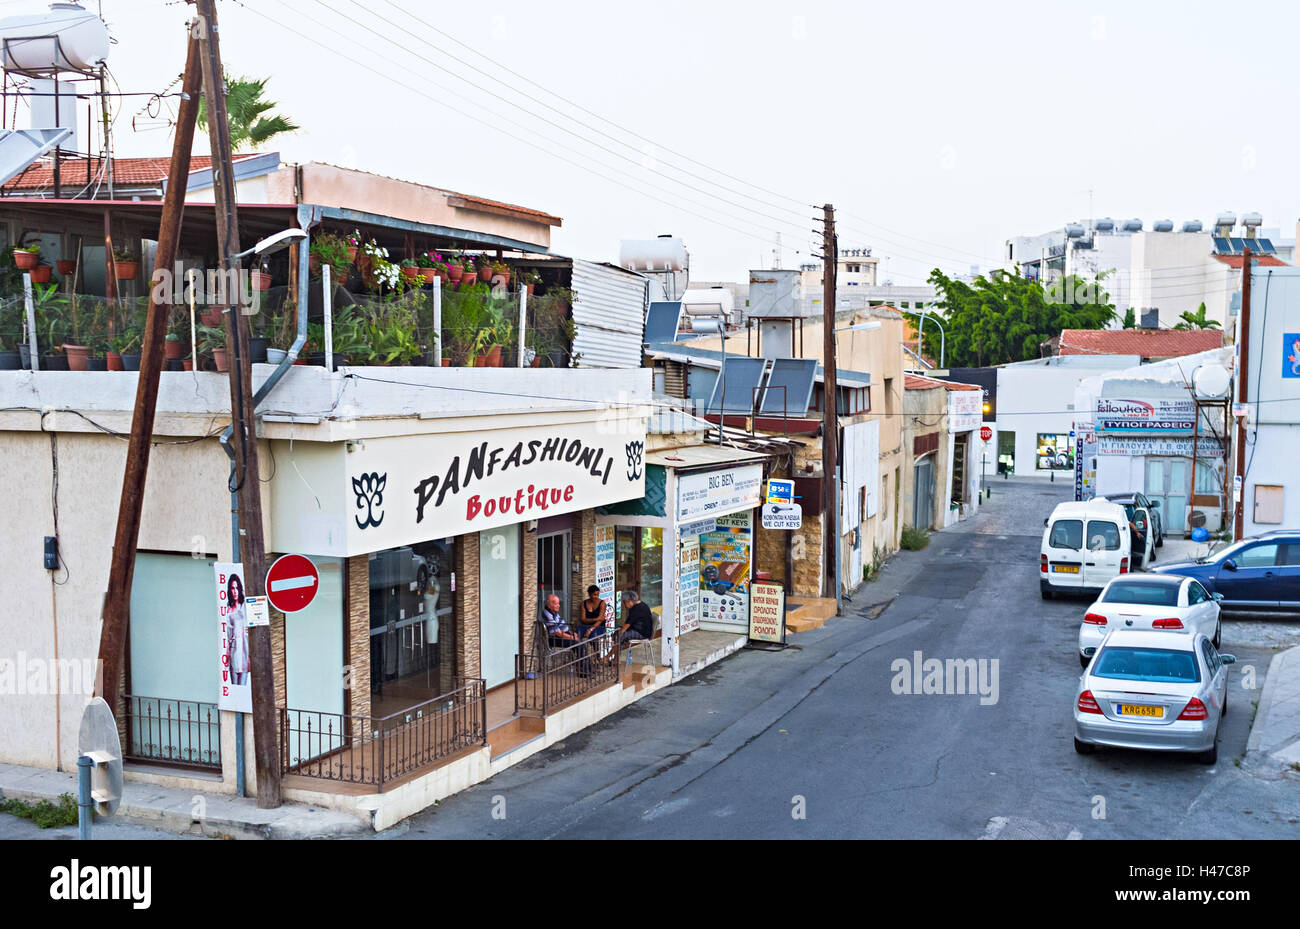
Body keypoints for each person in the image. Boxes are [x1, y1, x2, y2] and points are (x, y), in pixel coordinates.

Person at [607, 589, 654, 664]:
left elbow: (625, 627)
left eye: (624, 603)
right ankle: (615, 659)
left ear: (630, 601)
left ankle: (607, 657)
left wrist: (618, 635)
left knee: (621, 635)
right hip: (636, 629)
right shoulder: (640, 605)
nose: (624, 605)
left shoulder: (637, 609)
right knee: (617, 631)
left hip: (642, 633)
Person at [226, 573, 250, 687]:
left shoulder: (245, 607)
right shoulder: (229, 611)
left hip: (245, 652)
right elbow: (228, 636)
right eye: (232, 588)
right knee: (235, 687)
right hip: (234, 653)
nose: (235, 591)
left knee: (243, 687)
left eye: (237, 588)